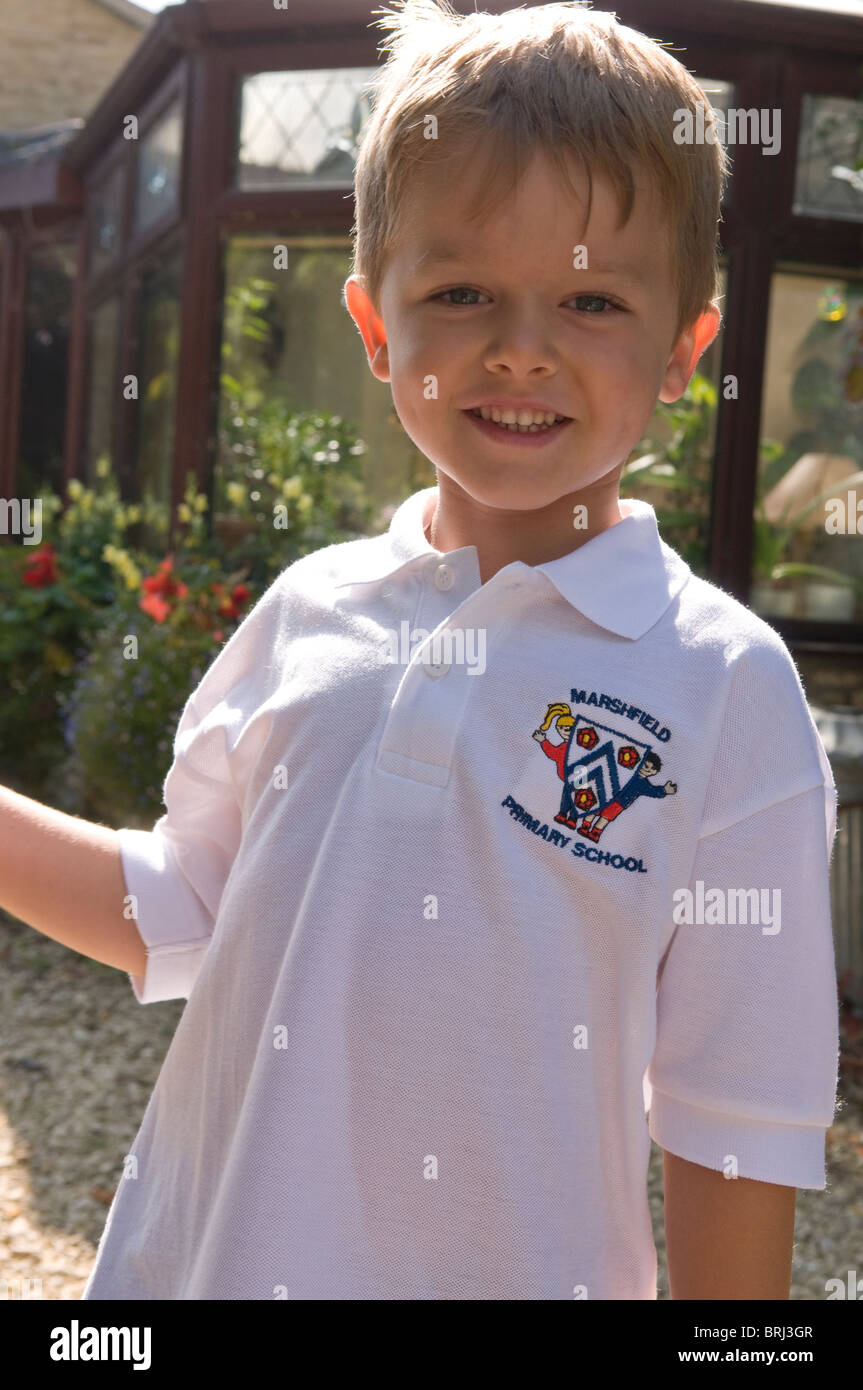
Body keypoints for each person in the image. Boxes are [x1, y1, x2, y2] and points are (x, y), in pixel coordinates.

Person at [0, 0, 839, 1300]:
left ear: (685, 347)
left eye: (592, 298)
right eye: (461, 291)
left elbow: (734, 1122)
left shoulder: (725, 689)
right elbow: (178, 914)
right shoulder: (305, 612)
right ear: (374, 323)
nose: (522, 344)